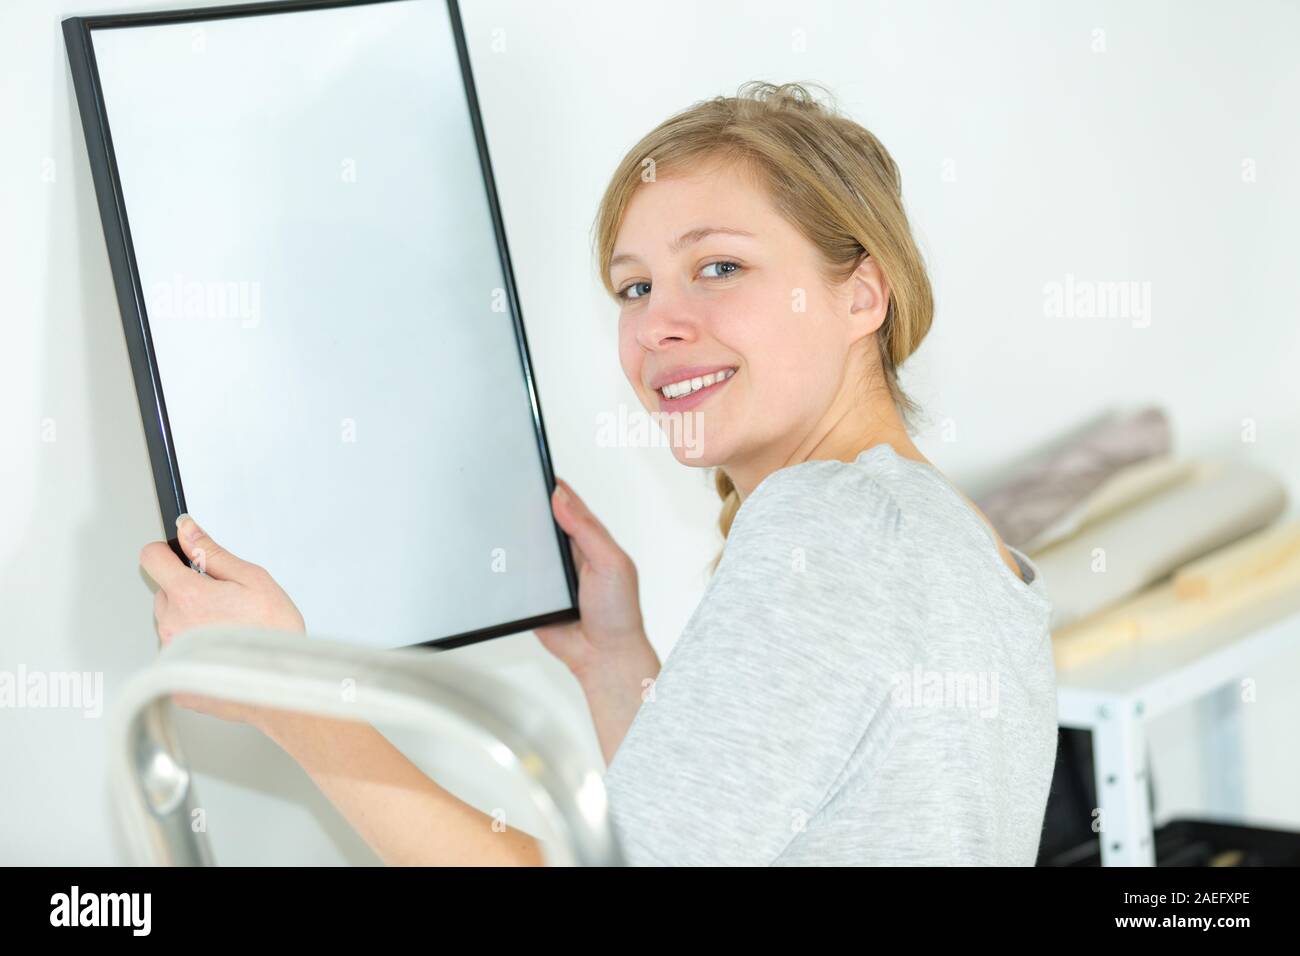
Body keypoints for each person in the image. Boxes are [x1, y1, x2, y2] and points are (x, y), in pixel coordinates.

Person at [139, 81, 1057, 866]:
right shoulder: (934, 527)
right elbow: (698, 838)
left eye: (719, 266)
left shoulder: (830, 533)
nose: (659, 323)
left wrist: (289, 694)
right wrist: (615, 663)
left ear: (861, 293)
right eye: (635, 287)